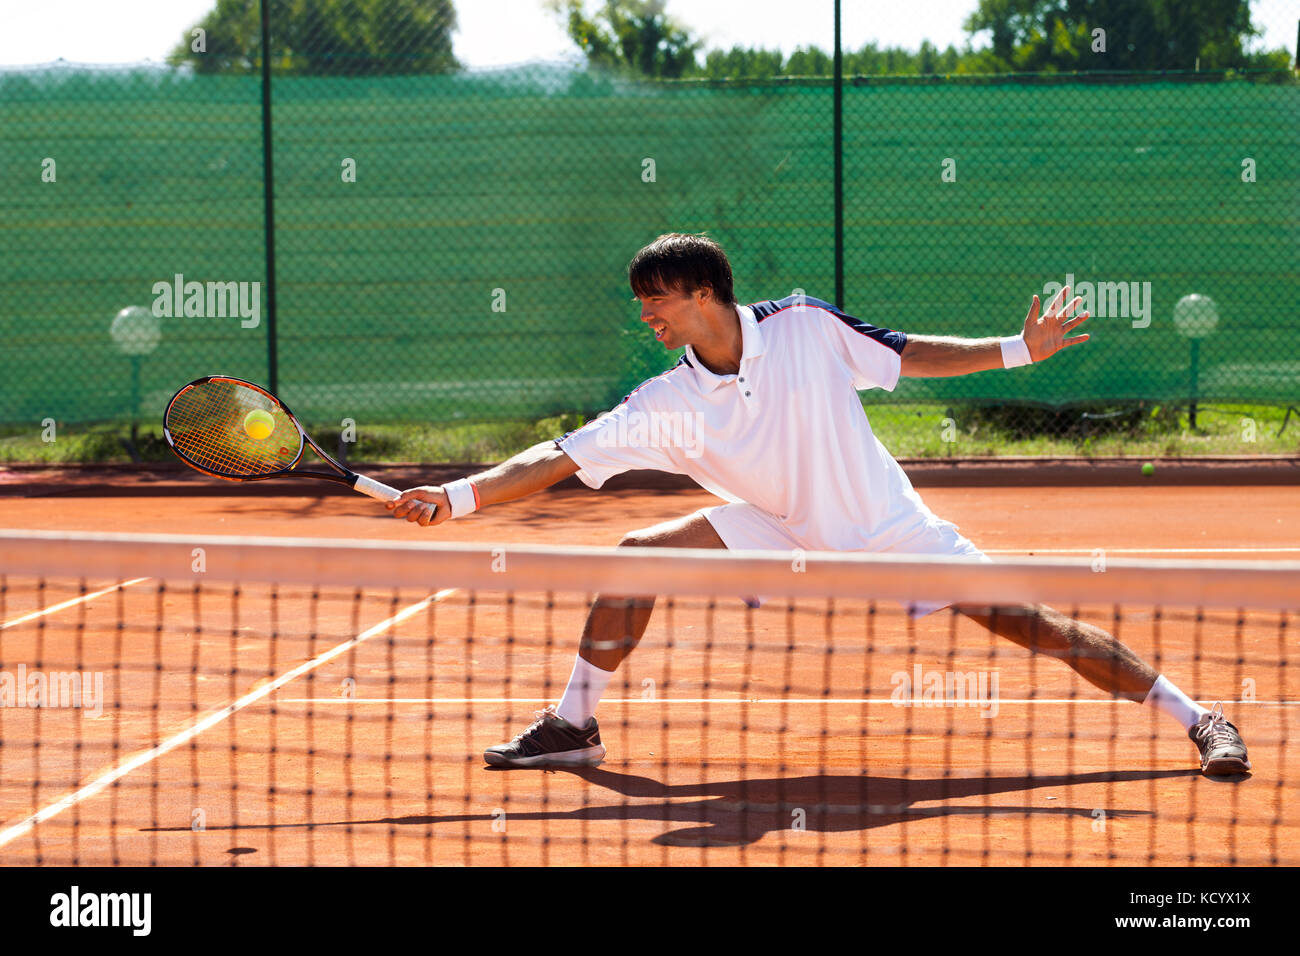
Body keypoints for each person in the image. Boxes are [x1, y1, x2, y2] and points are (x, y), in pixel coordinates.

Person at [387, 233, 1250, 777]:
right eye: (642, 300)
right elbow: (558, 457)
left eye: (657, 297)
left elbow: (909, 355)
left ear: (703, 294)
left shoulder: (803, 326)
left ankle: (1198, 716)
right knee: (636, 553)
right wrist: (454, 498)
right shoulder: (663, 401)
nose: (645, 312)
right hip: (773, 524)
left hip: (889, 527)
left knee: (1043, 630)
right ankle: (573, 725)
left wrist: (1018, 350)